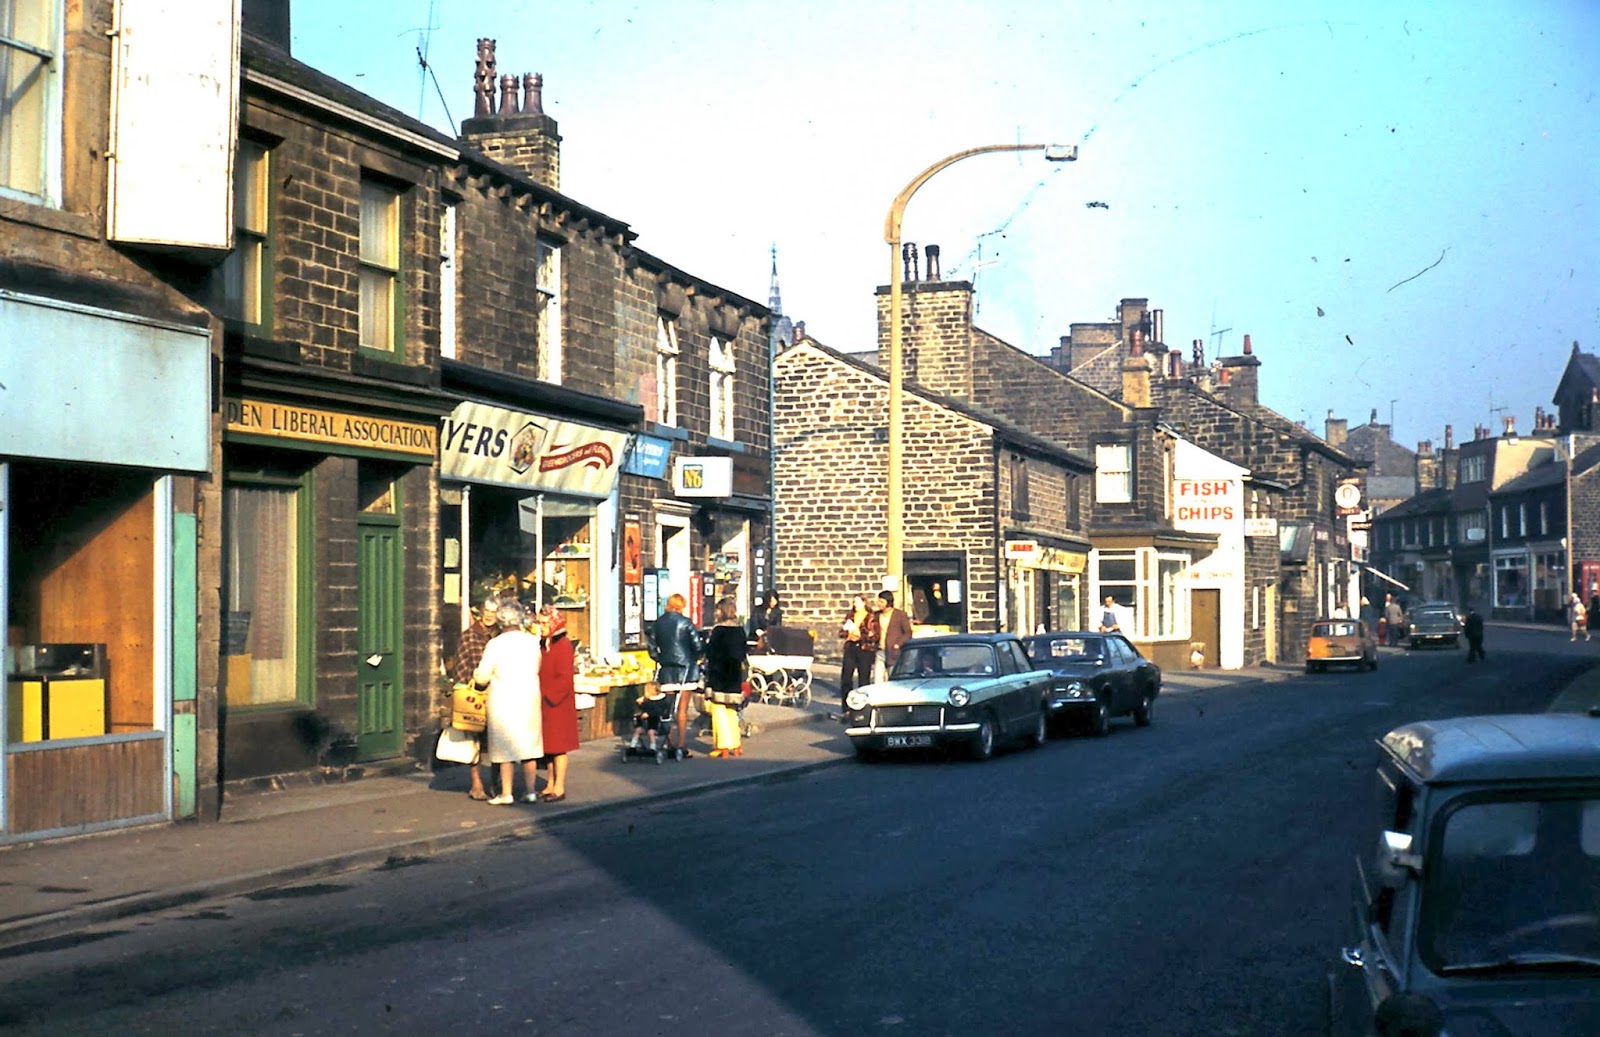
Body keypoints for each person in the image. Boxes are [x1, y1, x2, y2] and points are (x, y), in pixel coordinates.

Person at [471, 600, 544, 805]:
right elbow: (539, 666)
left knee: (505, 748)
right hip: (529, 698)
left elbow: (483, 676)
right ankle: (530, 791)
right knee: (529, 747)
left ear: (501, 621)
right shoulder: (532, 641)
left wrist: (477, 675)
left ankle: (506, 792)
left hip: (503, 699)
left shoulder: (495, 644)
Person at [449, 592, 500, 802]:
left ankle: (496, 783)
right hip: (475, 695)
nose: (489, 616)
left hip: (497, 695)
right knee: (474, 740)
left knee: (498, 741)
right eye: (487, 611)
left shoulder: (500, 636)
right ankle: (476, 783)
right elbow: (461, 666)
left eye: (494, 612)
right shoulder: (469, 635)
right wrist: (465, 690)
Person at [647, 593, 703, 757]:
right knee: (682, 709)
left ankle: (669, 742)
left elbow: (651, 648)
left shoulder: (658, 623)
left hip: (666, 670)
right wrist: (694, 658)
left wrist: (662, 659)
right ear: (680, 607)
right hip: (686, 669)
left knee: (668, 708)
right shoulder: (685, 623)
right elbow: (698, 646)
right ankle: (681, 745)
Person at [536, 606, 579, 803]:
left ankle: (559, 787)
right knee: (549, 748)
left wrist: (549, 697)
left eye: (545, 623)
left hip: (557, 705)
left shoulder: (562, 645)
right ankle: (550, 784)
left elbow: (564, 678)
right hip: (546, 702)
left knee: (559, 748)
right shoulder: (545, 644)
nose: (541, 627)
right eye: (540, 623)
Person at [703, 597, 749, 758]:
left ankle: (722, 746)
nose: (715, 613)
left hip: (719, 674)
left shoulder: (718, 631)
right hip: (734, 673)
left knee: (718, 710)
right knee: (732, 710)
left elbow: (710, 653)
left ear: (722, 611)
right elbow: (743, 652)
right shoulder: (740, 630)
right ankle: (736, 745)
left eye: (717, 610)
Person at [838, 594, 874, 698]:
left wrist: (860, 636)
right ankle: (846, 707)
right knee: (846, 677)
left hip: (864, 649)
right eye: (854, 602)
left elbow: (873, 635)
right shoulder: (850, 616)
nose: (855, 605)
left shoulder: (870, 617)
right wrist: (847, 633)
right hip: (850, 647)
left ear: (864, 603)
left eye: (857, 602)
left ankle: (863, 704)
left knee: (863, 678)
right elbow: (841, 632)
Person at [876, 590, 914, 683]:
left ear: (888, 602)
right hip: (880, 650)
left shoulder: (899, 615)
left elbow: (908, 632)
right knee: (877, 678)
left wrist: (898, 644)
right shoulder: (876, 615)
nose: (878, 603)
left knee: (892, 677)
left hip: (893, 651)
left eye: (882, 601)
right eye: (878, 601)